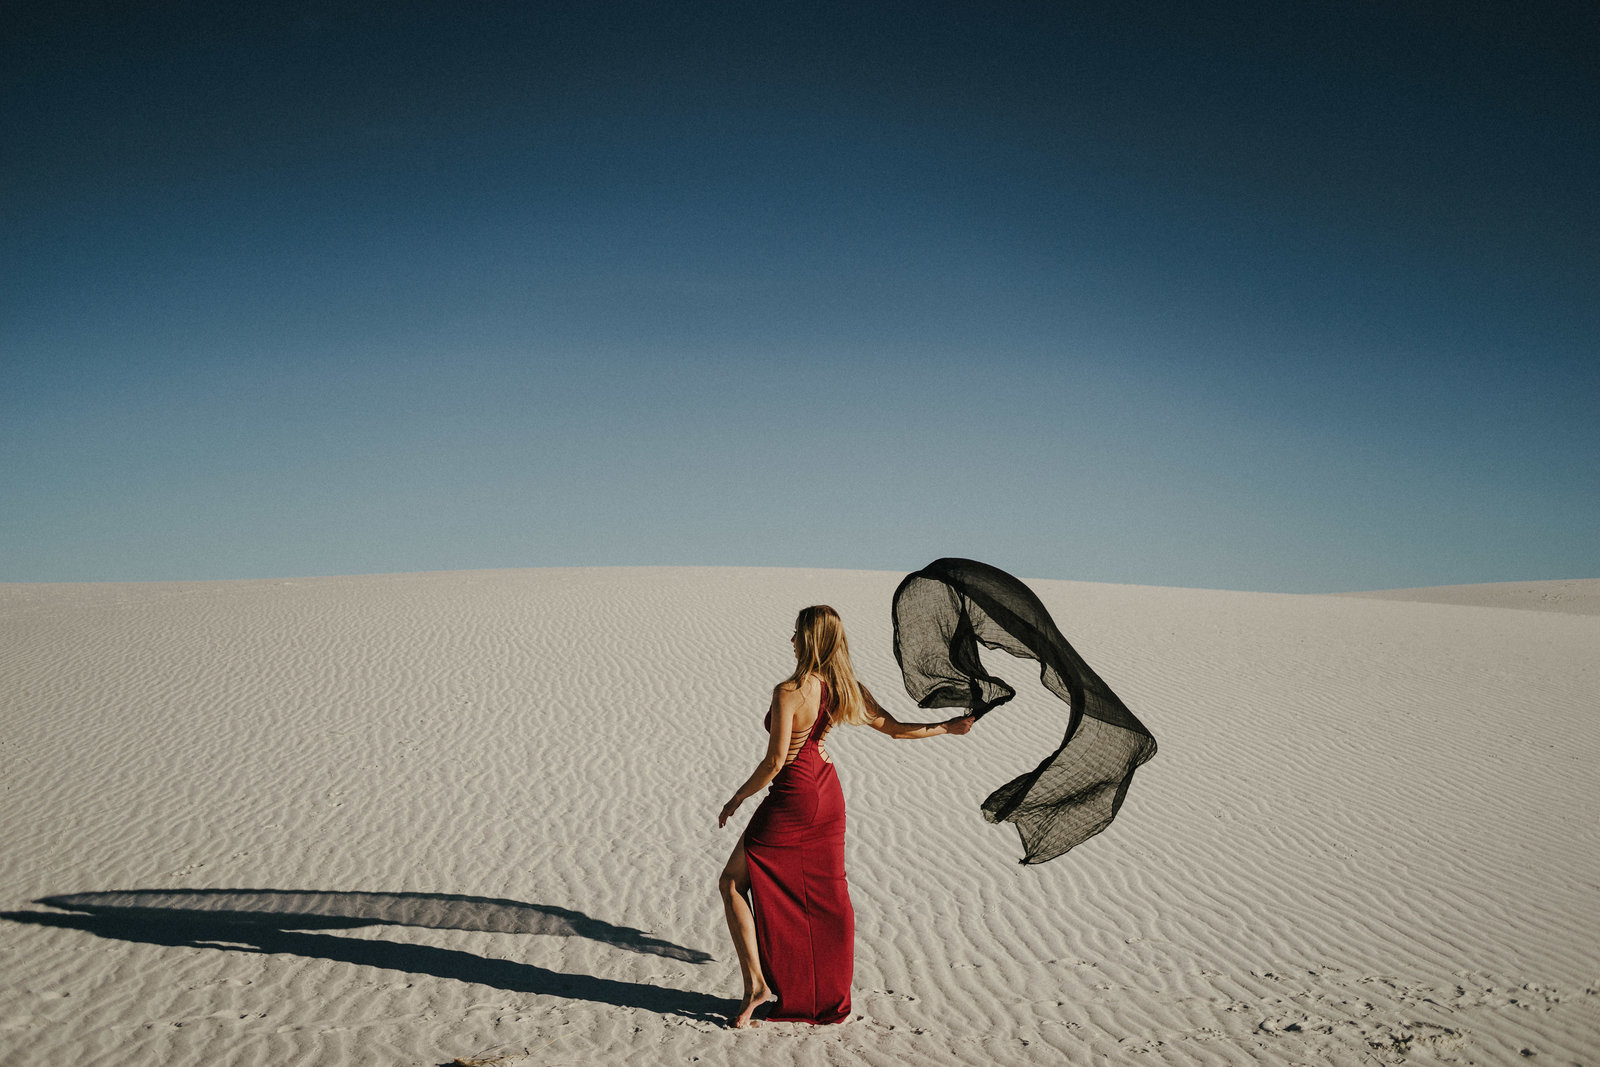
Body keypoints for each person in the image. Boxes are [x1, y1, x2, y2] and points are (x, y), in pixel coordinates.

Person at [716, 604, 974, 1028]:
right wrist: (947, 727)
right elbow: (894, 729)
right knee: (825, 894)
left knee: (731, 882)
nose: (792, 639)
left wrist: (738, 798)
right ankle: (820, 991)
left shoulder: (789, 691)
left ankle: (756, 985)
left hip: (794, 795)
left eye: (797, 632)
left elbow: (776, 760)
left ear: (811, 639)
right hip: (828, 795)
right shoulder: (846, 687)